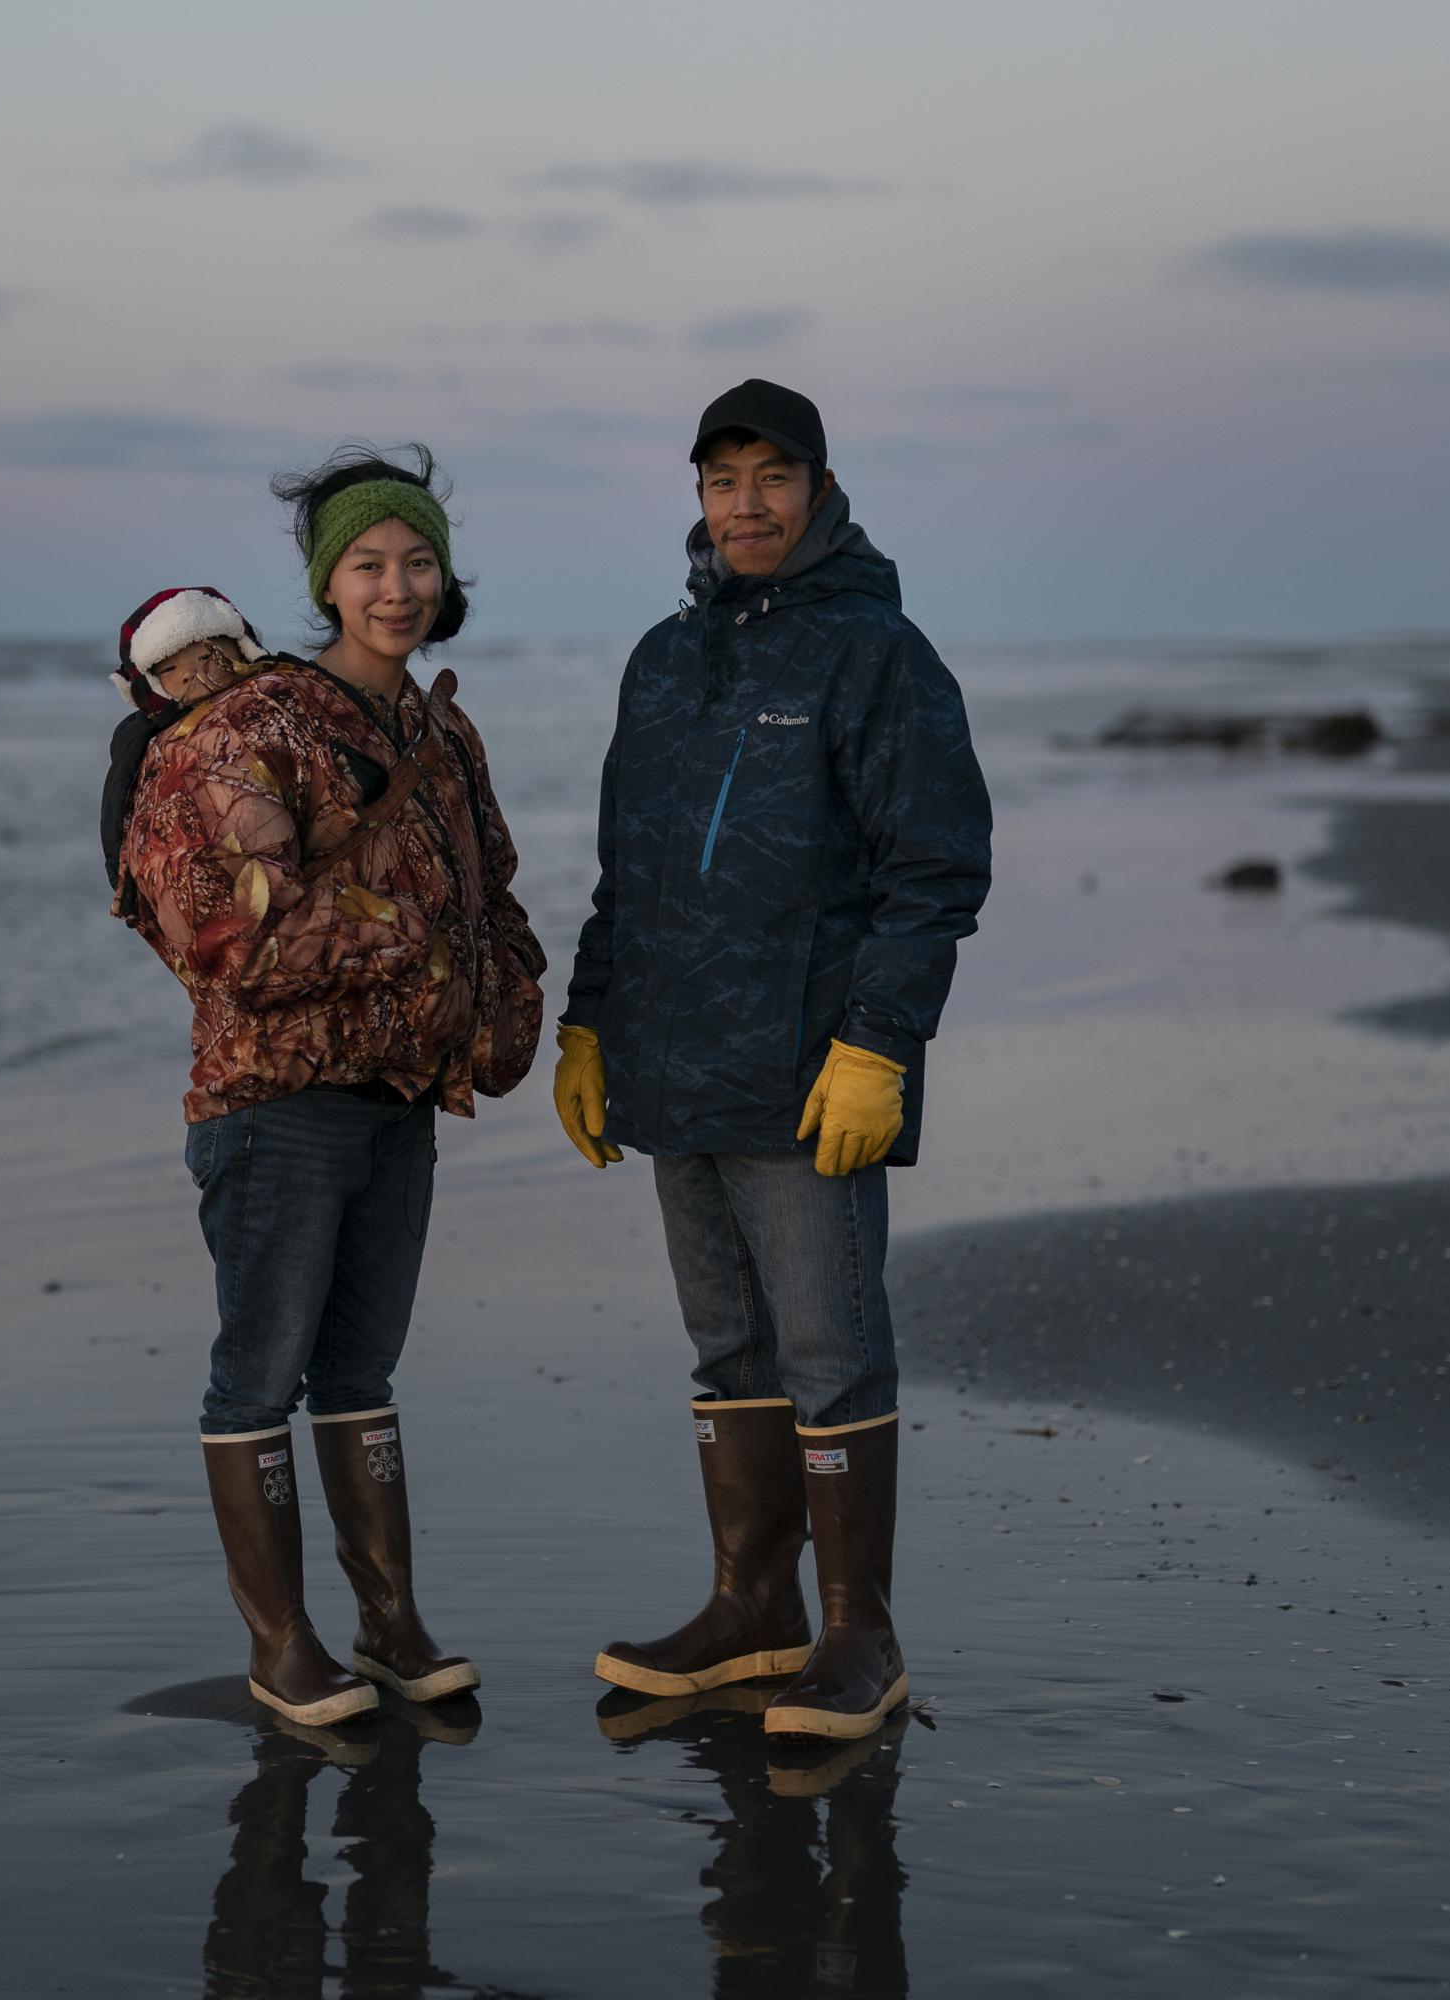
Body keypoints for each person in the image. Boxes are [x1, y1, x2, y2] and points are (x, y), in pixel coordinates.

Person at [556, 379, 992, 1740]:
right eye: (720, 479)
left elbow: (936, 871)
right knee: (727, 1347)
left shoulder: (878, 652)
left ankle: (864, 1637)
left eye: (771, 476)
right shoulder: (663, 658)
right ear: (695, 496)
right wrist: (589, 1017)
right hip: (676, 1068)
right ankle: (753, 1610)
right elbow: (625, 869)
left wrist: (879, 1046)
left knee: (830, 1353)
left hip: (811, 1072)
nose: (745, 504)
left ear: (819, 489)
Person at [114, 448, 545, 1727]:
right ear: (326, 583)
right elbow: (222, 924)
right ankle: (283, 1643)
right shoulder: (249, 727)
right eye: (368, 565)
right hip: (276, 1101)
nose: (396, 587)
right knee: (260, 1372)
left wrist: (512, 998)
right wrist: (415, 945)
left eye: (417, 563)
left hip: (398, 1098)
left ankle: (392, 1627)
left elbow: (494, 893)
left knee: (363, 1369)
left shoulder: (441, 729)